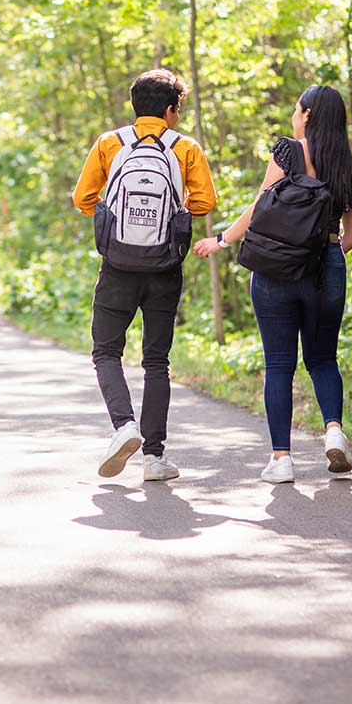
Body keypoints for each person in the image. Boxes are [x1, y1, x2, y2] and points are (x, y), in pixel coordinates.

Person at [194, 85, 352, 484]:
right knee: (323, 359)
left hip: (276, 269)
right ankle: (334, 431)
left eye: (295, 108)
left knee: (278, 364)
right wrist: (324, 250)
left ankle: (282, 459)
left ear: (306, 115)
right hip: (327, 267)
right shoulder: (347, 168)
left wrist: (222, 240)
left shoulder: (288, 151)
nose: (293, 115)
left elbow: (259, 206)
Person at [73, 69, 217, 482]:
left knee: (105, 352)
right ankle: (154, 459)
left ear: (134, 106)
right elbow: (204, 202)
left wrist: (116, 213)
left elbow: (83, 200)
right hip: (165, 267)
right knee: (156, 361)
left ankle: (124, 427)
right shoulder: (185, 148)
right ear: (172, 111)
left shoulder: (110, 143)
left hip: (117, 265)